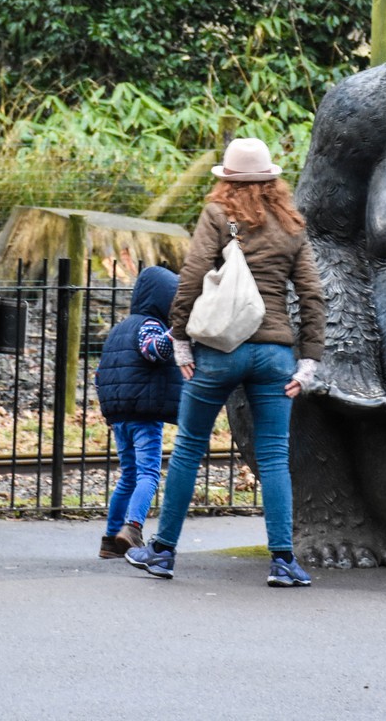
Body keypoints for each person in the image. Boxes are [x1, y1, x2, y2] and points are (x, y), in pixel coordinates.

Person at [125, 137, 323, 587]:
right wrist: (309, 361)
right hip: (275, 354)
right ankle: (283, 561)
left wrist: (178, 339)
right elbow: (312, 294)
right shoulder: (292, 225)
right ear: (272, 179)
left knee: (190, 447)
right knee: (274, 456)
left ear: (227, 180)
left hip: (218, 352)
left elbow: (192, 276)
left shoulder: (219, 215)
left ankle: (162, 553)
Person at [94, 264, 182, 559]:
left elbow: (101, 372)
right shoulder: (149, 325)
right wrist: (176, 332)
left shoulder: (119, 329)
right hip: (144, 412)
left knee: (128, 475)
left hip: (120, 414)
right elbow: (154, 350)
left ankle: (110, 539)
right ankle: (132, 528)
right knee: (148, 473)